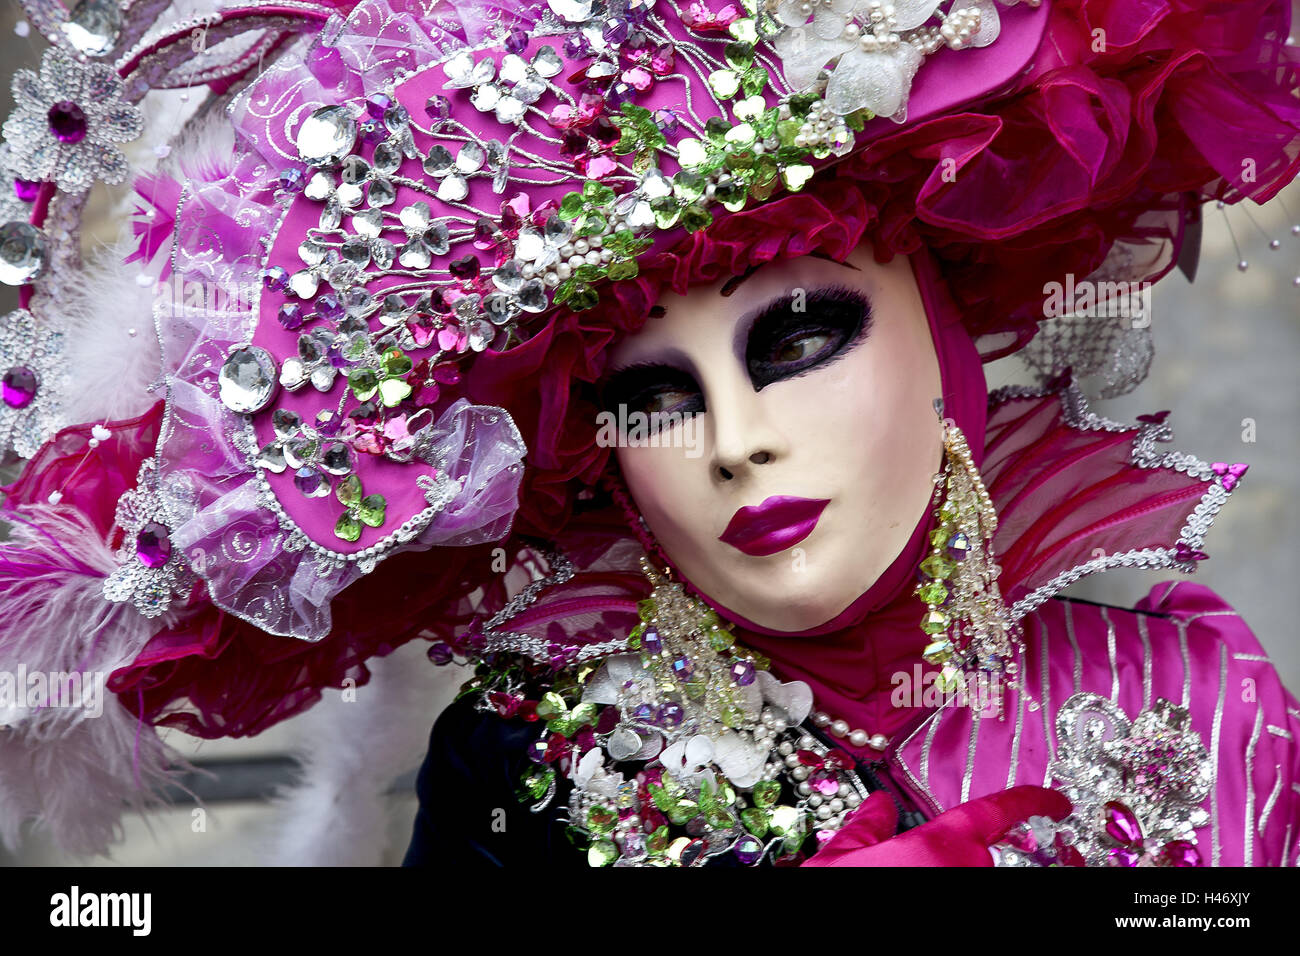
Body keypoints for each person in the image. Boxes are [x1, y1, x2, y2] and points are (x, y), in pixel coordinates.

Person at [0, 0, 1296, 868]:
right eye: (659, 397)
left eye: (798, 339)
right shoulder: (537, 773)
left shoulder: (1205, 696)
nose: (734, 440)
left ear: (945, 341)